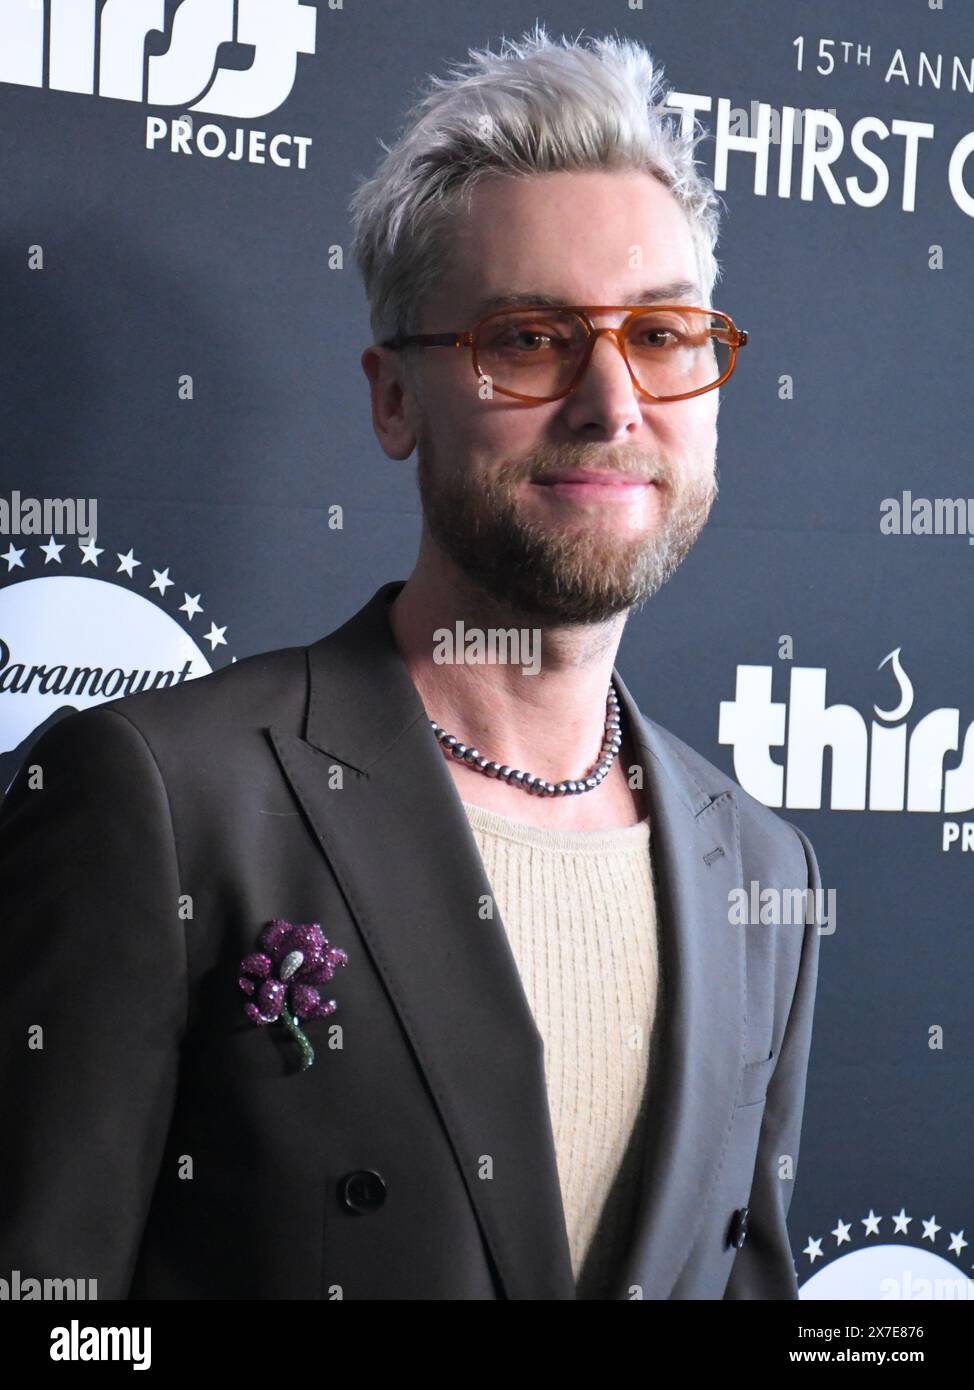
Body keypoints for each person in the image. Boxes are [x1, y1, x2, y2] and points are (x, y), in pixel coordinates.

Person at [0, 24, 821, 1300]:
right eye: (530, 337)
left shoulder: (762, 872)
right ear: (394, 399)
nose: (611, 402)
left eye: (661, 334)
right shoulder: (161, 798)